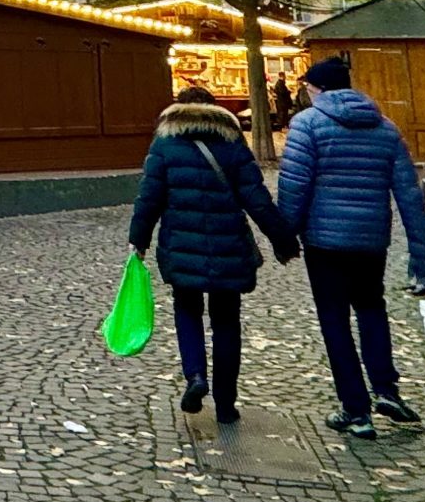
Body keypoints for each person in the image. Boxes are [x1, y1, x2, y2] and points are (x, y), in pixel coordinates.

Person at [278, 56, 425, 440]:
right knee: (371, 309)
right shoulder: (385, 128)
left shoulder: (307, 125)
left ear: (316, 89)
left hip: (325, 240)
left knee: (334, 320)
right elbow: (409, 194)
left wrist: (285, 235)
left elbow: (294, 187)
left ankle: (355, 408)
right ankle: (386, 390)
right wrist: (421, 252)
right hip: (371, 239)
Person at [128, 85, 298, 427]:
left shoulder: (165, 144)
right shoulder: (232, 143)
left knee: (187, 311)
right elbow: (256, 197)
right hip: (228, 246)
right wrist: (282, 239)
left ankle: (195, 376)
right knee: (226, 322)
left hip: (181, 245)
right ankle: (226, 403)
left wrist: (139, 241)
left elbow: (149, 198)